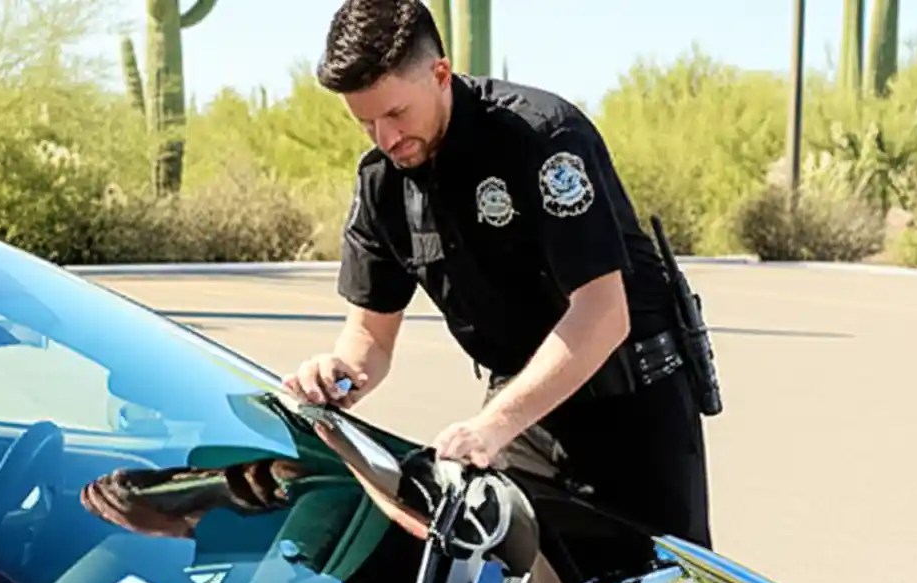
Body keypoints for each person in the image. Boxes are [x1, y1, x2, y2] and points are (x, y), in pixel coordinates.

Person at [281, 0, 714, 549]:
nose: (385, 139)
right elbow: (370, 336)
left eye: (396, 115)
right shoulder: (382, 186)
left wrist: (494, 425)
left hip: (631, 409)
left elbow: (603, 314)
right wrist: (336, 374)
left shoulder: (541, 138)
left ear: (441, 73)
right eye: (365, 122)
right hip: (522, 414)